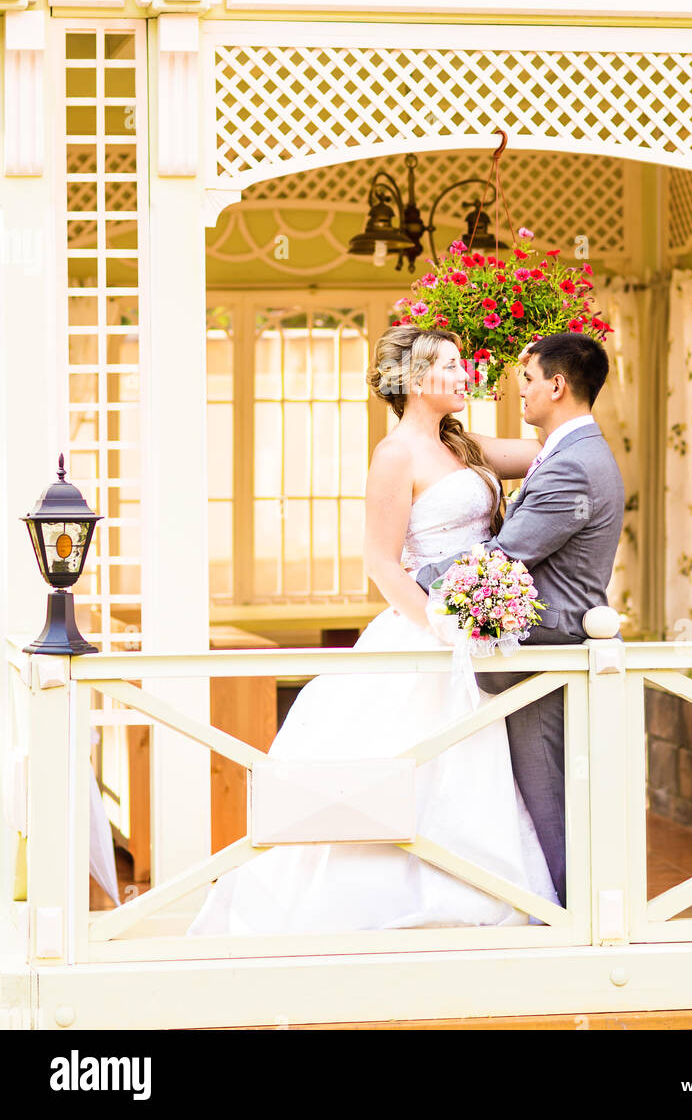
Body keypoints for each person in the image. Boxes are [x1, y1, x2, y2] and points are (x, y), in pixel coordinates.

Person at [187, 325, 557, 936]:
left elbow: (548, 454)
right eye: (452, 365)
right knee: (399, 766)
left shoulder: (465, 447)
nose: (466, 375)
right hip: (426, 630)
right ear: (416, 380)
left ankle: (483, 891)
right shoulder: (395, 455)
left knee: (473, 769)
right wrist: (439, 625)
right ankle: (374, 906)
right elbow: (382, 563)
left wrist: (558, 397)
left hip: (479, 631)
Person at [417, 332, 625, 908]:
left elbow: (507, 557)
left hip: (543, 647)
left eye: (528, 381)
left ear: (557, 385)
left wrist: (420, 572)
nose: (521, 393)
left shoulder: (574, 467)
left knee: (547, 797)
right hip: (531, 644)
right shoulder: (568, 452)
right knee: (537, 796)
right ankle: (563, 913)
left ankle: (575, 920)